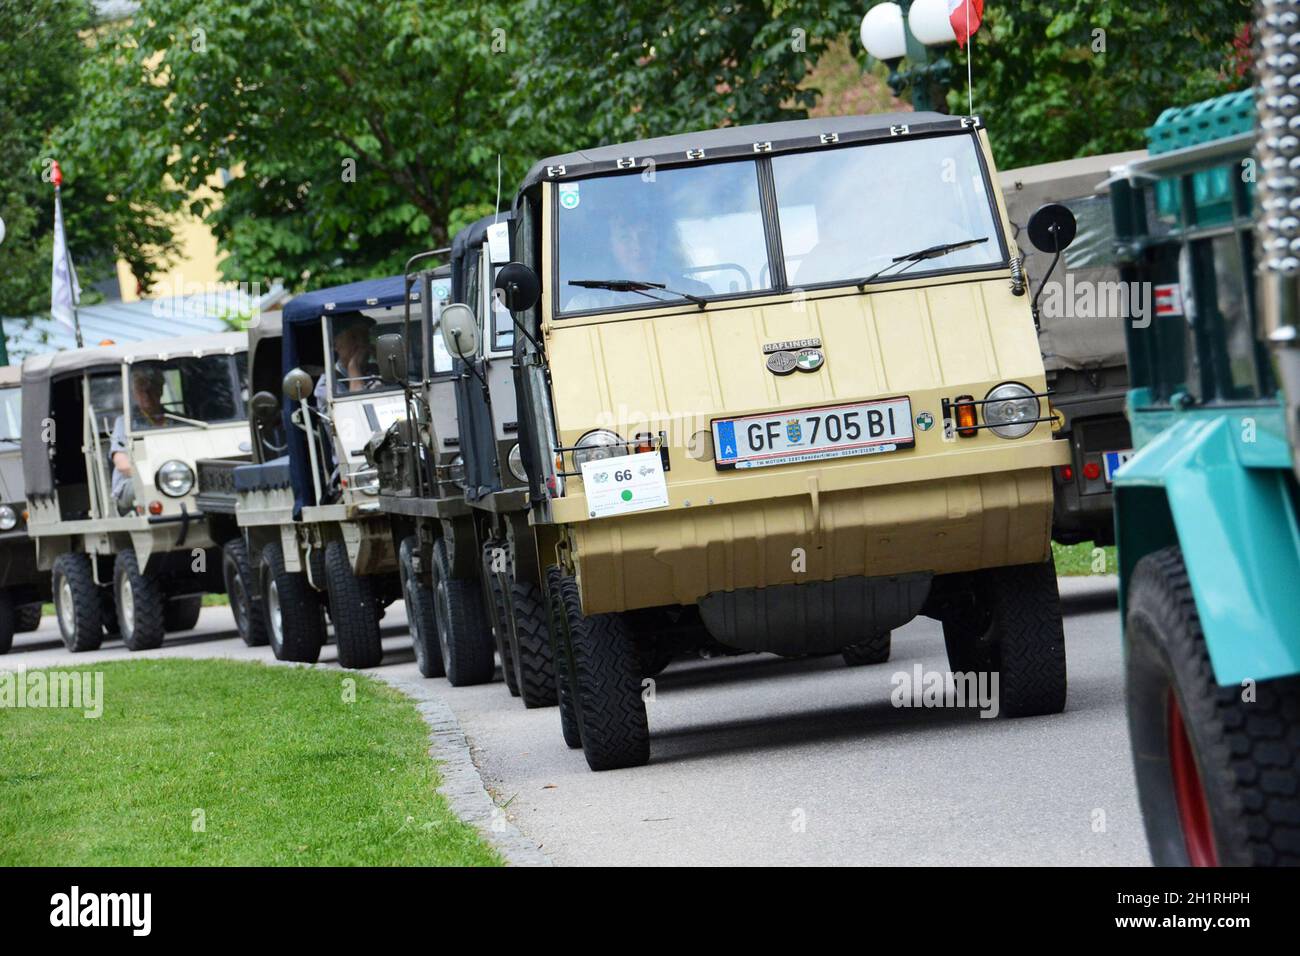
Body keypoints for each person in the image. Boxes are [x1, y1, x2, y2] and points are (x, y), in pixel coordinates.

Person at [110, 366, 167, 515]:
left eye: (151, 389)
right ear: (134, 394)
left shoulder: (177, 420)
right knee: (146, 487)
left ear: (161, 390)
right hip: (130, 483)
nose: (147, 395)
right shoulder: (125, 422)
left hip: (173, 479)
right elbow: (122, 464)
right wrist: (155, 478)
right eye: (141, 390)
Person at [314, 313, 379, 404]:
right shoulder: (327, 384)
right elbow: (357, 409)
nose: (362, 342)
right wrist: (353, 366)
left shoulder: (376, 371)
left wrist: (382, 359)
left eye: (365, 336)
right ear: (335, 344)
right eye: (354, 337)